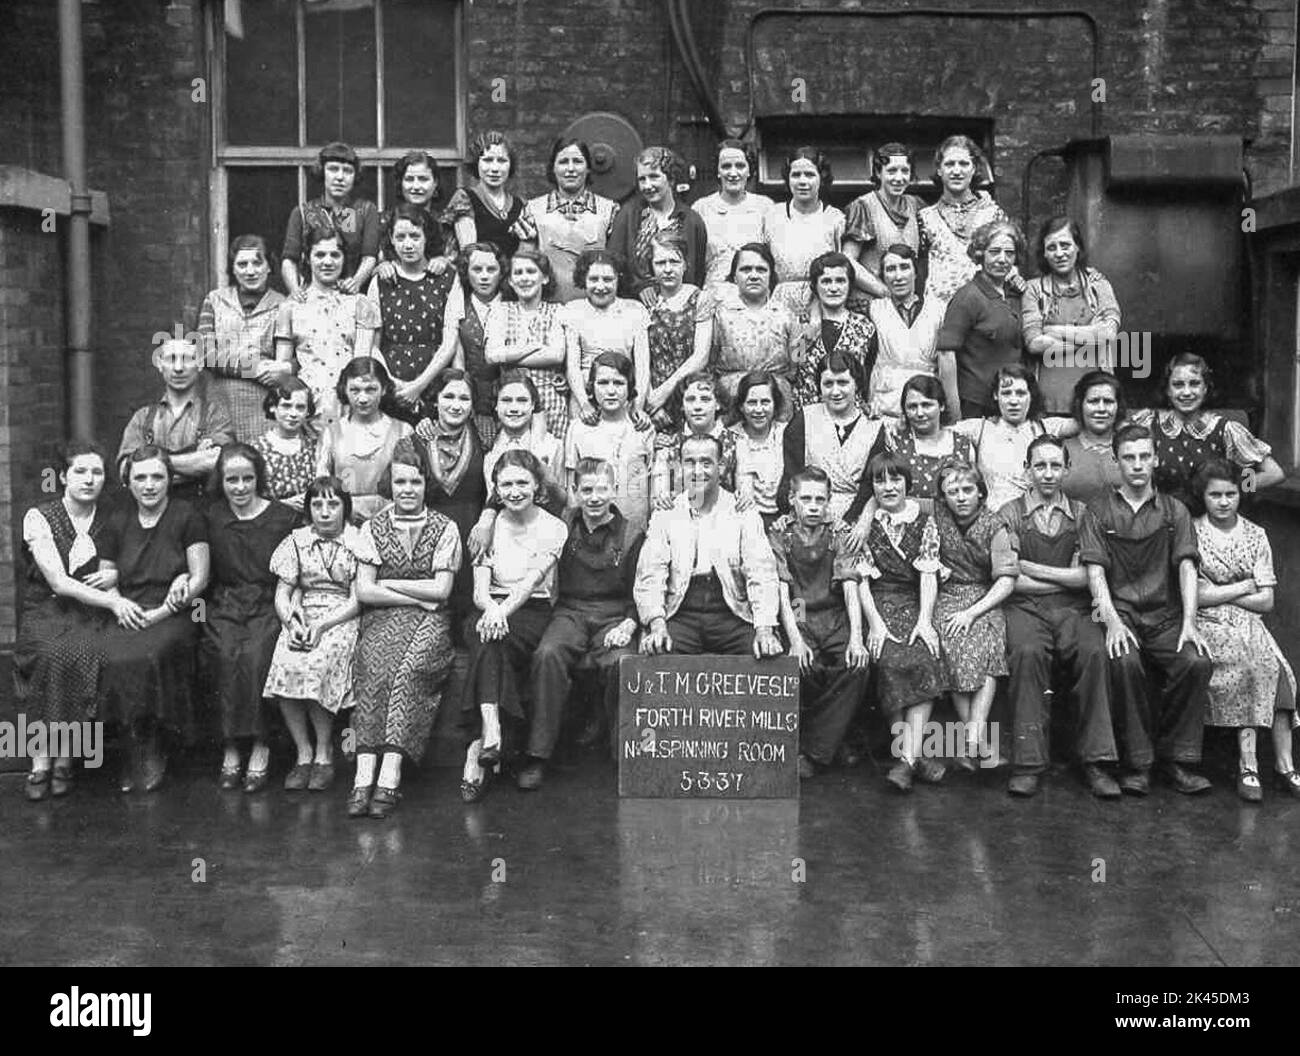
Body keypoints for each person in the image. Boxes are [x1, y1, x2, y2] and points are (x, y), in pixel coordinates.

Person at [1079, 424, 1214, 795]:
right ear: (1116, 461)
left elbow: (1187, 567)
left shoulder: (1175, 511)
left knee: (1195, 661)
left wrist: (1190, 623)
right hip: (1121, 615)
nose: (1137, 465)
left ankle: (1176, 759)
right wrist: (1111, 622)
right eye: (1129, 457)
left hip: (1166, 617)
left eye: (1144, 457)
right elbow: (1095, 573)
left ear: (1155, 459)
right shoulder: (1099, 510)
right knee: (1124, 662)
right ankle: (1138, 764)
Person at [999, 434, 1119, 798]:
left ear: (1067, 469)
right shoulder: (1009, 513)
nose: (1048, 474)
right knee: (1027, 654)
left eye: (1055, 465)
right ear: (1027, 469)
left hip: (1074, 609)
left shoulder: (1083, 514)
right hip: (1025, 609)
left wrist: (1034, 568)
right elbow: (1010, 579)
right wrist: (1064, 577)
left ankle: (1096, 761)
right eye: (1040, 465)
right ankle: (1029, 763)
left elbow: (1088, 576)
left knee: (1095, 652)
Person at [350, 451, 463, 819]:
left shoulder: (444, 527)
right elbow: (364, 592)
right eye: (400, 482)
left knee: (409, 670)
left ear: (425, 484)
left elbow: (442, 591)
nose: (408, 489)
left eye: (415, 481)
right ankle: (362, 776)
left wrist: (387, 582)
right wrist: (412, 590)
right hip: (382, 616)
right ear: (389, 486)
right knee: (373, 666)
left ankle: (390, 774)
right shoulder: (373, 528)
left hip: (431, 621)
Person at [98, 446, 210, 794]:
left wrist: (160, 612)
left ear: (170, 480)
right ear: (128, 482)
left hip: (174, 611)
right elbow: (108, 577)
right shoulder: (117, 520)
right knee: (114, 655)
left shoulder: (187, 515)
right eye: (141, 477)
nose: (149, 485)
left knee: (152, 655)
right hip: (130, 609)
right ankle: (135, 741)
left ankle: (155, 744)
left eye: (157, 477)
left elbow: (200, 579)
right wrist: (119, 605)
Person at [460, 450, 569, 802]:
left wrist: (501, 612)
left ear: (538, 486)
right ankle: (492, 730)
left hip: (529, 608)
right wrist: (491, 608)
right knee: (486, 635)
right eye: (506, 484)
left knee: (492, 641)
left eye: (523, 482)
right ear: (496, 488)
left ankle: (478, 747)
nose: (515, 490)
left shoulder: (554, 527)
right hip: (488, 603)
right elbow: (479, 589)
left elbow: (531, 581)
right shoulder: (488, 526)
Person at [15, 443, 119, 801]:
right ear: (63, 477)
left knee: (82, 651)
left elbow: (116, 566)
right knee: (49, 654)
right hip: (47, 607)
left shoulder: (111, 517)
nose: (89, 480)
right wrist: (111, 600)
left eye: (97, 473)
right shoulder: (40, 517)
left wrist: (113, 577)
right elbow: (57, 581)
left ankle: (64, 757)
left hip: (90, 612)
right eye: (80, 472)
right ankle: (40, 758)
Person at [1191, 460, 1298, 802]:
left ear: (1241, 493)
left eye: (1231, 494)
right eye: (1215, 495)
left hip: (1251, 623)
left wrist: (1223, 590)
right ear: (1203, 497)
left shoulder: (1255, 534)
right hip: (1209, 623)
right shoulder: (1192, 532)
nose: (1223, 502)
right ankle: (1248, 763)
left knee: (1278, 669)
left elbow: (1266, 600)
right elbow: (1198, 596)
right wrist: (1242, 587)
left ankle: (1285, 764)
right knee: (1248, 665)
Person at [530, 457, 645, 770]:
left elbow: (642, 587)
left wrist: (630, 622)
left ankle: (624, 760)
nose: (595, 497)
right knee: (547, 654)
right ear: (576, 491)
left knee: (623, 664)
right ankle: (538, 754)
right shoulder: (562, 525)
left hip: (615, 614)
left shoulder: (633, 533)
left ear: (615, 490)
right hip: (571, 612)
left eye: (603, 489)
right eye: (587, 490)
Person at [201, 443, 298, 793]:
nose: (240, 488)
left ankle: (260, 743)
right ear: (221, 481)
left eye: (247, 479)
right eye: (231, 480)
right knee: (225, 654)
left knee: (257, 656)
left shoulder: (282, 518)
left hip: (268, 601)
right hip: (226, 602)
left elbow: (293, 572)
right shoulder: (212, 517)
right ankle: (230, 746)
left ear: (258, 479)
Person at [636, 433, 783, 660]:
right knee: (657, 658)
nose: (697, 471)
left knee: (763, 658)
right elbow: (651, 574)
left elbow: (761, 572)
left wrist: (764, 630)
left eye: (706, 463)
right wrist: (657, 624)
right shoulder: (666, 513)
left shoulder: (742, 511)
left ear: (721, 466)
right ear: (680, 466)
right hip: (682, 612)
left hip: (732, 612)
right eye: (690, 463)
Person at [264, 476, 363, 793]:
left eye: (333, 504)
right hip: (303, 611)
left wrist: (323, 626)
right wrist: (292, 621)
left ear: (344, 508)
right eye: (317, 504)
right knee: (287, 663)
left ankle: (324, 751)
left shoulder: (358, 541)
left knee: (318, 664)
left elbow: (358, 598)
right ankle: (303, 751)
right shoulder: (296, 541)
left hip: (341, 615)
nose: (325, 512)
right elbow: (283, 593)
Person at [854, 453, 946, 792]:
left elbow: (927, 577)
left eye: (896, 480)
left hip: (913, 601)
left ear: (908, 483)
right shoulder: (867, 524)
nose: (889, 487)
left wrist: (924, 621)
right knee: (890, 660)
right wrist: (875, 625)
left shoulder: (924, 520)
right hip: (878, 604)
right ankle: (913, 757)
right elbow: (862, 581)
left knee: (922, 656)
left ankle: (905, 760)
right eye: (880, 481)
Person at [769, 467, 869, 777]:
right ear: (792, 500)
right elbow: (783, 590)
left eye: (820, 499)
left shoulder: (838, 532)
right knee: (800, 666)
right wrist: (796, 640)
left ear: (829, 501)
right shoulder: (780, 533)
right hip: (798, 611)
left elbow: (850, 585)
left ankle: (812, 748)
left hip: (833, 612)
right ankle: (832, 742)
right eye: (806, 499)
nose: (813, 506)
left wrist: (856, 637)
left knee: (857, 665)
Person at [932, 459, 1016, 768]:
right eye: (953, 491)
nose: (961, 497)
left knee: (987, 644)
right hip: (949, 594)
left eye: (968, 489)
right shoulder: (938, 515)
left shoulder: (994, 525)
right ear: (942, 497)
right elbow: (888, 496)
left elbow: (1006, 580)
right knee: (952, 642)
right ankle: (979, 744)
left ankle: (970, 739)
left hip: (985, 597)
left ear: (981, 492)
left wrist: (972, 612)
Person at [395, 369, 487, 633]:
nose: (456, 405)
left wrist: (488, 517)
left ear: (472, 405)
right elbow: (394, 487)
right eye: (448, 397)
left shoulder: (485, 432)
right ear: (435, 400)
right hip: (429, 536)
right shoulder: (416, 440)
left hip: (474, 531)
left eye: (464, 398)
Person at [1130, 353, 1285, 508]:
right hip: (1159, 522)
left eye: (1194, 384)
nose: (1186, 392)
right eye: (1178, 385)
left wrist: (1235, 486)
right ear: (1168, 390)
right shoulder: (1148, 424)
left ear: (1205, 388)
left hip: (1209, 525)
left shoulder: (1225, 430)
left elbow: (1274, 473)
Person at [274, 227, 382, 428]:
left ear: (344, 258)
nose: (327, 261)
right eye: (320, 255)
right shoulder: (290, 307)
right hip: (304, 408)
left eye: (335, 255)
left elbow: (362, 366)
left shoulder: (360, 304)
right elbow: (283, 371)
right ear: (307, 257)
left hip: (350, 405)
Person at [367, 202, 460, 426]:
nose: (408, 244)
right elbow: (372, 343)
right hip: (391, 385)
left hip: (433, 382)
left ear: (426, 236)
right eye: (400, 237)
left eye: (415, 236)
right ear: (390, 237)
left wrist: (419, 386)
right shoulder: (380, 280)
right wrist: (392, 383)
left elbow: (450, 341)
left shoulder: (447, 277)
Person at [1022, 216, 1122, 414]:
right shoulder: (1034, 290)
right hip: (1049, 400)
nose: (1059, 253)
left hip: (1094, 401)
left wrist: (1054, 330)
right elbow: (1034, 343)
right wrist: (1091, 337)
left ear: (1078, 247)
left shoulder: (1098, 285)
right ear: (1044, 253)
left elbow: (1109, 334)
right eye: (1051, 247)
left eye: (1065, 245)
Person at [197, 234, 291, 443]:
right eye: (242, 264)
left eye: (257, 263)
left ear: (269, 266)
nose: (250, 271)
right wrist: (254, 367)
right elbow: (206, 354)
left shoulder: (284, 305)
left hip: (262, 406)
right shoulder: (215, 300)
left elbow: (288, 360)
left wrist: (284, 368)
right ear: (233, 268)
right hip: (218, 403)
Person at [118, 337, 235, 501]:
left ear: (200, 363)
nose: (178, 368)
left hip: (200, 512)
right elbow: (126, 470)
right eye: (171, 359)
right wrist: (193, 462)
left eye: (187, 359)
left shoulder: (215, 414)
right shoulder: (142, 418)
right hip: (151, 512)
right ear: (159, 364)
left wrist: (149, 463)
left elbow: (216, 461)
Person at [936, 218, 1028, 419]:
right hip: (975, 405)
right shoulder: (968, 296)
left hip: (1010, 403)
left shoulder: (1015, 294)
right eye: (994, 252)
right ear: (980, 254)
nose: (1002, 259)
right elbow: (946, 356)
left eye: (1009, 253)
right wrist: (955, 414)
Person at [954, 364, 1077, 512]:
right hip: (993, 520)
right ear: (995, 395)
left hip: (1034, 520)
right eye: (1006, 393)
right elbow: (937, 431)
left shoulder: (1044, 427)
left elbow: (1088, 420)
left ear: (1031, 395)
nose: (1014, 401)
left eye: (1020, 393)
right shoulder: (979, 428)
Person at [782, 350, 884, 524]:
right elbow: (792, 474)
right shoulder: (805, 419)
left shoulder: (873, 427)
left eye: (843, 383)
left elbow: (870, 486)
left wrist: (851, 521)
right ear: (819, 386)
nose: (835, 391)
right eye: (828, 384)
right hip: (808, 513)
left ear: (857, 384)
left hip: (855, 518)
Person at [564, 352, 655, 534]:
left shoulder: (643, 429)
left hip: (634, 530)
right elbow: (571, 491)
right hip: (590, 531)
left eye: (619, 383)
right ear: (591, 386)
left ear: (630, 388)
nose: (611, 391)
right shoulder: (578, 429)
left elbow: (651, 486)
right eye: (603, 383)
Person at [484, 247, 569, 439]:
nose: (524, 278)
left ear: (544, 278)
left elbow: (556, 355)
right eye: (518, 273)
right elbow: (491, 355)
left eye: (531, 272)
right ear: (511, 281)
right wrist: (536, 346)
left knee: (549, 459)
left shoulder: (557, 311)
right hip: (512, 403)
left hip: (550, 403)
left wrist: (508, 358)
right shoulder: (500, 310)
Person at [315, 357, 412, 522]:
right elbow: (322, 482)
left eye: (371, 389)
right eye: (355, 390)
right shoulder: (333, 430)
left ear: (384, 389)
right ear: (344, 389)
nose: (363, 398)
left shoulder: (402, 431)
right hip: (343, 521)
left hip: (391, 522)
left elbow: (411, 484)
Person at [525, 137, 620, 303]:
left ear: (588, 168)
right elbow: (524, 264)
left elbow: (616, 264)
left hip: (595, 306)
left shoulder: (609, 210)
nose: (570, 169)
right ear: (553, 168)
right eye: (563, 162)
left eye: (577, 161)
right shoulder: (533, 210)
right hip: (549, 305)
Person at [711, 242, 803, 413]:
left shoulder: (788, 315)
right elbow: (710, 361)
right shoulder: (719, 314)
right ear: (734, 276)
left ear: (771, 275)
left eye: (761, 270)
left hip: (776, 399)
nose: (754, 276)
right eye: (746, 269)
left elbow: (798, 361)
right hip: (730, 399)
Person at [917, 135, 1009, 305]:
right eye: (950, 164)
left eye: (964, 164)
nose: (957, 171)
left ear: (974, 168)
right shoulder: (925, 218)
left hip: (984, 311)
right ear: (939, 169)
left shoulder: (993, 214)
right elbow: (919, 274)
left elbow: (1008, 264)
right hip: (940, 313)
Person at [560, 250, 650, 421]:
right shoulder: (573, 310)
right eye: (593, 279)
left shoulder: (635, 310)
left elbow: (643, 366)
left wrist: (638, 405)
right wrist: (584, 404)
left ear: (619, 279)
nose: (600, 286)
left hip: (624, 393)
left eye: (608, 279)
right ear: (584, 280)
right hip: (585, 395)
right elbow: (572, 365)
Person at [607, 146, 707, 300]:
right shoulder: (629, 215)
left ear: (671, 179)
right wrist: (639, 287)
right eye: (642, 179)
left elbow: (697, 272)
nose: (647, 186)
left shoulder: (691, 220)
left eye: (654, 177)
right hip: (634, 306)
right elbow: (613, 263)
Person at [281, 141, 379, 297]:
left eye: (347, 171)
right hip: (311, 295)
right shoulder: (303, 212)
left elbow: (369, 256)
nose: (340, 177)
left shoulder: (364, 210)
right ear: (322, 172)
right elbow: (289, 259)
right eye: (333, 169)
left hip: (351, 295)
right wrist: (295, 290)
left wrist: (356, 282)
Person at [643, 233, 714, 437]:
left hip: (692, 393)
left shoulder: (700, 299)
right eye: (660, 262)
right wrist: (652, 403)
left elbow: (701, 357)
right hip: (653, 396)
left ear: (685, 265)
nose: (667, 269)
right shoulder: (645, 303)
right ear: (652, 267)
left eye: (674, 261)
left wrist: (664, 392)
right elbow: (640, 357)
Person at [764, 146, 846, 316]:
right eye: (795, 175)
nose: (802, 181)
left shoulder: (835, 218)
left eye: (809, 175)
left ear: (821, 178)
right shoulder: (772, 215)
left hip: (822, 303)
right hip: (779, 305)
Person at [866, 244, 945, 419]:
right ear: (883, 276)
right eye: (890, 269)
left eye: (904, 267)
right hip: (885, 405)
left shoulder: (938, 309)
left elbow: (947, 364)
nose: (898, 276)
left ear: (916, 272)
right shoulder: (873, 310)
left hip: (925, 404)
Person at [874, 374, 975, 501]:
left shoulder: (963, 446)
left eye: (927, 405)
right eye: (912, 407)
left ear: (941, 405)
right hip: (907, 517)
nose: (919, 413)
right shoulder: (895, 443)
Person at [693, 139, 775, 295]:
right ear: (717, 171)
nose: (733, 173)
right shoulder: (701, 208)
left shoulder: (765, 207)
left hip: (755, 295)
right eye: (726, 166)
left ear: (749, 170)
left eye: (740, 166)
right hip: (714, 293)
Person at [794, 251, 875, 408]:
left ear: (850, 284)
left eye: (840, 281)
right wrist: (811, 331)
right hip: (808, 414)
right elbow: (794, 364)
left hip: (850, 414)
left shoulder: (864, 327)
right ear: (815, 286)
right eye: (826, 281)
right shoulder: (801, 323)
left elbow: (869, 376)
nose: (833, 288)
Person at [446, 241, 507, 446]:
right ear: (466, 272)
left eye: (491, 269)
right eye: (477, 269)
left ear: (501, 272)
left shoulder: (511, 304)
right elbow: (458, 359)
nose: (484, 276)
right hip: (472, 402)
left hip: (506, 397)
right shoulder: (459, 306)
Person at [843, 143, 921, 301]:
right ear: (879, 173)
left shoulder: (916, 205)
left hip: (904, 302)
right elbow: (848, 260)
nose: (899, 178)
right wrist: (884, 291)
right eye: (891, 171)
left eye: (904, 171)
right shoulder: (864, 206)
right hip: (869, 301)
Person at [442, 130, 534, 261]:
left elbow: (527, 255)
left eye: (502, 161)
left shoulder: (520, 205)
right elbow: (469, 252)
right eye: (488, 160)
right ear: (476, 163)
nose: (495, 168)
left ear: (510, 165)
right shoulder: (465, 199)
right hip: (479, 274)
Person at [653, 372, 738, 498]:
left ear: (718, 404)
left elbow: (743, 489)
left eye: (705, 399)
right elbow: (658, 494)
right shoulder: (668, 444)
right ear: (682, 405)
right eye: (690, 400)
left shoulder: (736, 443)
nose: (697, 407)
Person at [375, 150, 453, 282]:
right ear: (400, 183)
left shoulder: (446, 223)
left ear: (435, 183)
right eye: (409, 179)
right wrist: (382, 266)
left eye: (423, 179)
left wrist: (444, 261)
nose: (416, 186)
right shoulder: (384, 221)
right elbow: (372, 264)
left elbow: (462, 266)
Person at [729, 371, 788, 530]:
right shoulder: (731, 437)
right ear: (741, 406)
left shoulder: (787, 433)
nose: (759, 409)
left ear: (775, 404)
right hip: (746, 518)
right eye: (752, 402)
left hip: (784, 518)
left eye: (765, 402)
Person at [253, 377, 318, 511]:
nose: (293, 414)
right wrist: (285, 504)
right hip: (270, 523)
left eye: (300, 407)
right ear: (272, 407)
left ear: (308, 412)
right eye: (286, 406)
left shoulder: (315, 448)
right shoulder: (256, 449)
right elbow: (249, 499)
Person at [1061, 370, 1125, 505]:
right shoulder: (1060, 450)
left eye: (1108, 401)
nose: (1101, 409)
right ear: (1080, 405)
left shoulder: (1131, 449)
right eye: (1093, 401)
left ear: (1118, 406)